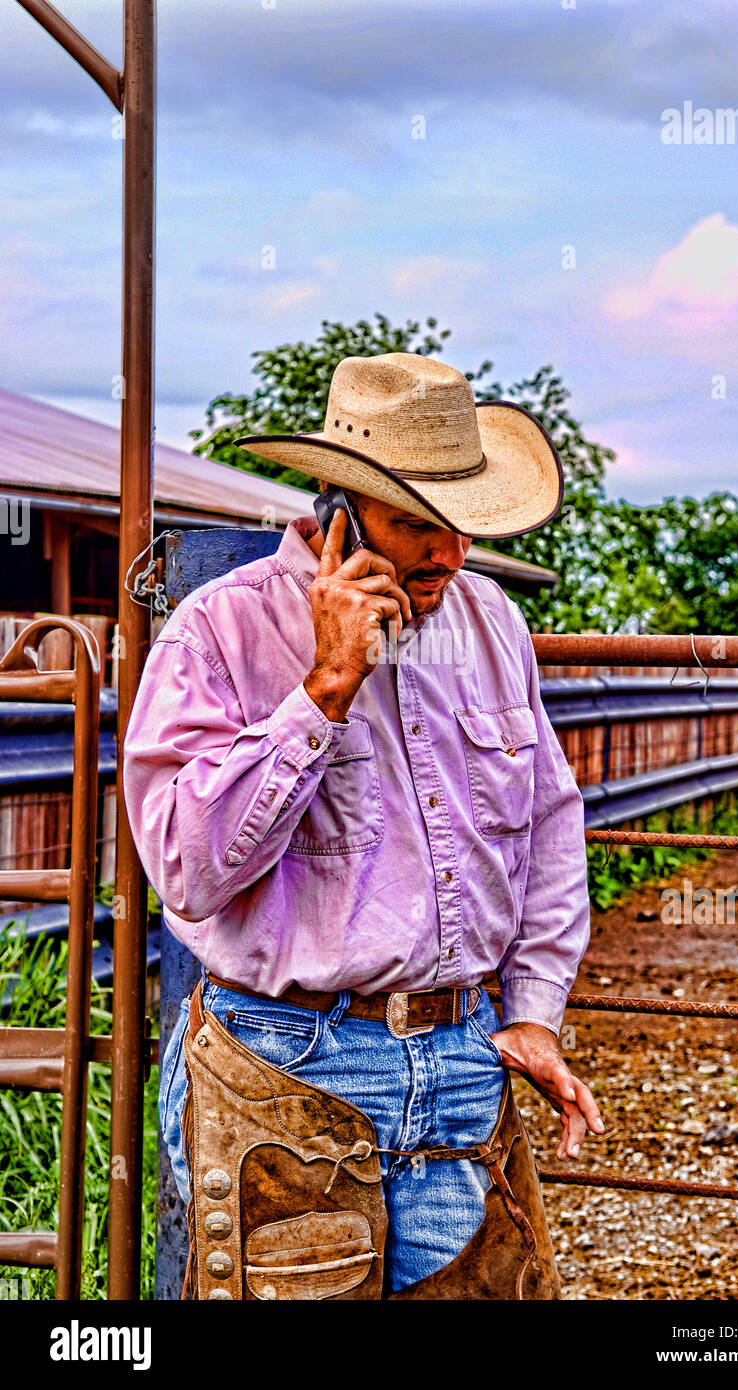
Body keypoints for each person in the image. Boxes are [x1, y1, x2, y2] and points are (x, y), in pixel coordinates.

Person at [123, 350, 603, 1298]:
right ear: (338, 507)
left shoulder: (491, 621)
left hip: (463, 1060)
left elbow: (548, 823)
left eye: (459, 525)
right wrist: (326, 685)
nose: (448, 555)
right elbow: (185, 869)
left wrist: (535, 1013)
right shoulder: (221, 631)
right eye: (416, 525)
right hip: (287, 1073)